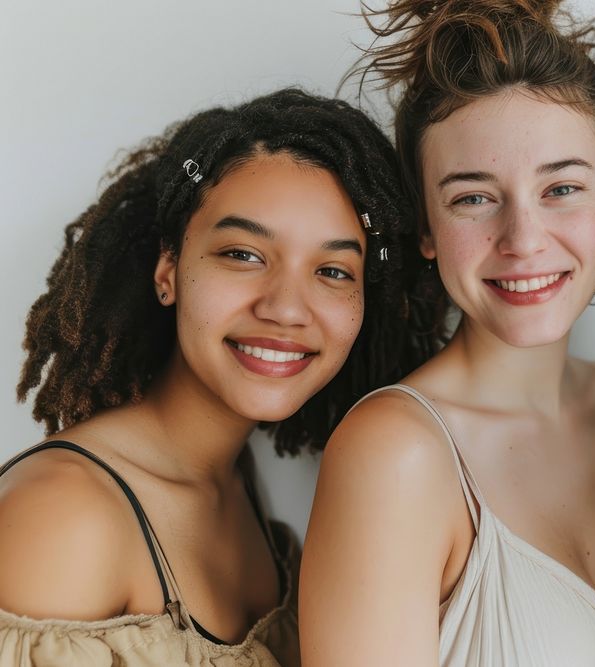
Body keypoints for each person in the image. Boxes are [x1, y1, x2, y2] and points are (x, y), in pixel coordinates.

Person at [299, 1, 595, 665]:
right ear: (425, 228)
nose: (523, 239)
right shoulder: (394, 456)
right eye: (473, 197)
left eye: (562, 188)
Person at [0, 88, 434, 666]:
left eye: (333, 270)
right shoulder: (67, 516)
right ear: (169, 270)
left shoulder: (242, 485)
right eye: (243, 255)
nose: (286, 308)